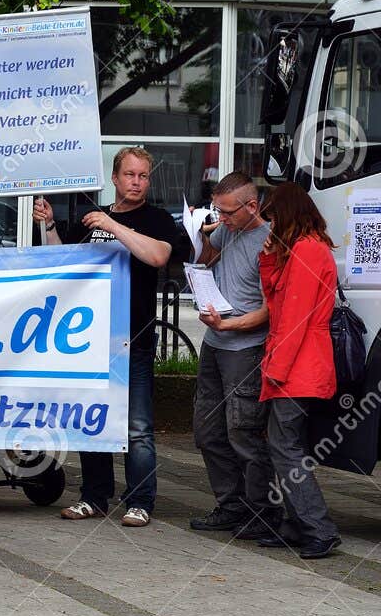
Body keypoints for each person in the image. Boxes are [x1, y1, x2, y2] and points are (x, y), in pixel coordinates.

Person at [34, 146, 186, 527]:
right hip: (91, 339)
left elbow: (158, 256)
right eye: (130, 175)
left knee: (137, 424)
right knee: (93, 421)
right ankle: (94, 496)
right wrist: (50, 225)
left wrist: (114, 225)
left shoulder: (156, 219)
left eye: (143, 176)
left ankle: (140, 500)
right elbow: (65, 264)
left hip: (133, 337)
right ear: (115, 178)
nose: (136, 182)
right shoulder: (90, 220)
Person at [255, 183, 342, 559]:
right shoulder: (301, 248)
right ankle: (295, 524)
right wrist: (269, 258)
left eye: (272, 217)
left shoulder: (307, 250)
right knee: (285, 444)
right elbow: (276, 298)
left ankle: (318, 528)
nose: (269, 225)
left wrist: (276, 368)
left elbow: (293, 317)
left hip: (298, 363)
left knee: (285, 446)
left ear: (285, 214)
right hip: (299, 361)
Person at [187, 172, 275, 537]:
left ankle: (262, 512)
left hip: (245, 347)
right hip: (215, 343)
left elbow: (272, 309)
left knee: (243, 433)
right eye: (217, 211)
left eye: (227, 212)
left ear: (251, 206)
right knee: (207, 431)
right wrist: (198, 233)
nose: (221, 219)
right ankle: (230, 505)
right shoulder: (228, 228)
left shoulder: (270, 241)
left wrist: (231, 326)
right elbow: (208, 259)